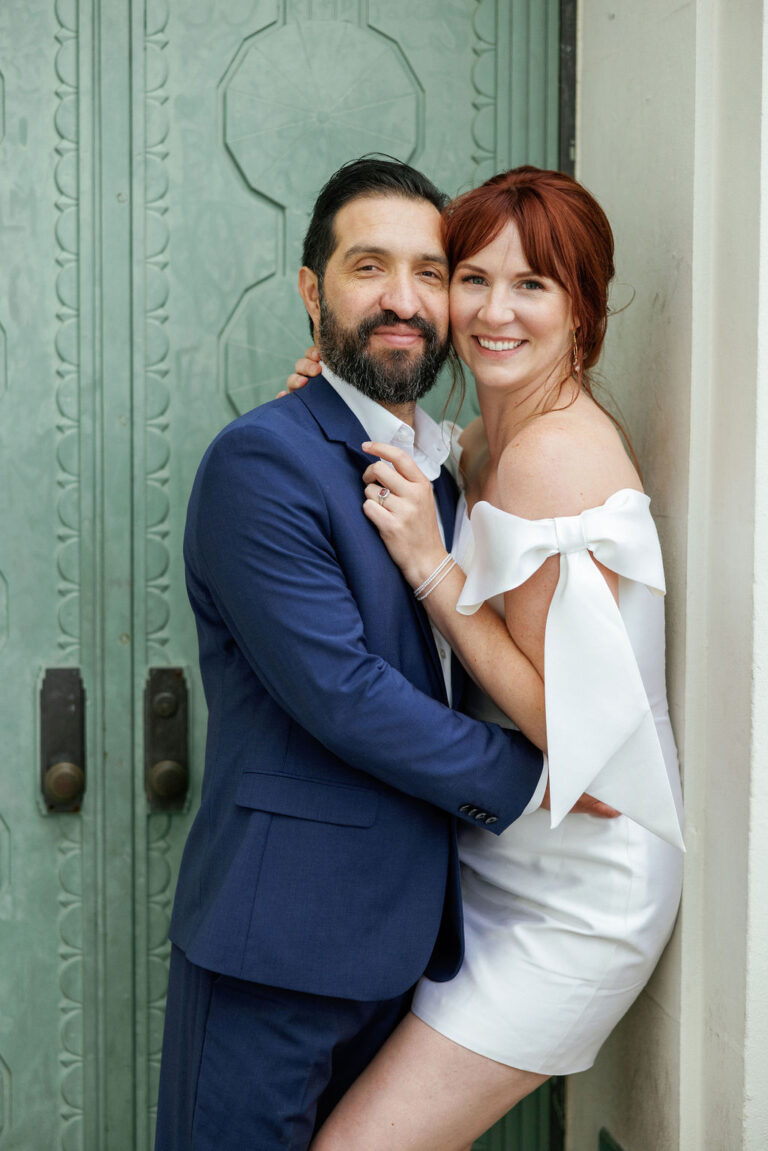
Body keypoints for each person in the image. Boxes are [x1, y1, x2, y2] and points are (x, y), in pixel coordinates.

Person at [154, 157, 612, 1151]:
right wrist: (548, 772)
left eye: (431, 270)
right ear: (314, 290)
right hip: (273, 948)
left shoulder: (452, 471)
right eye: (370, 267)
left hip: (414, 951)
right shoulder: (264, 459)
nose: (404, 299)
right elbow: (346, 693)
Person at [285, 166, 685, 1151]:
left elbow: (572, 734)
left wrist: (432, 570)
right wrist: (342, 407)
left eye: (533, 286)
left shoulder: (555, 455)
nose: (494, 312)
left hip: (577, 891)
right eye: (474, 278)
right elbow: (444, 463)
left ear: (582, 311)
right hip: (496, 857)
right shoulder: (493, 439)